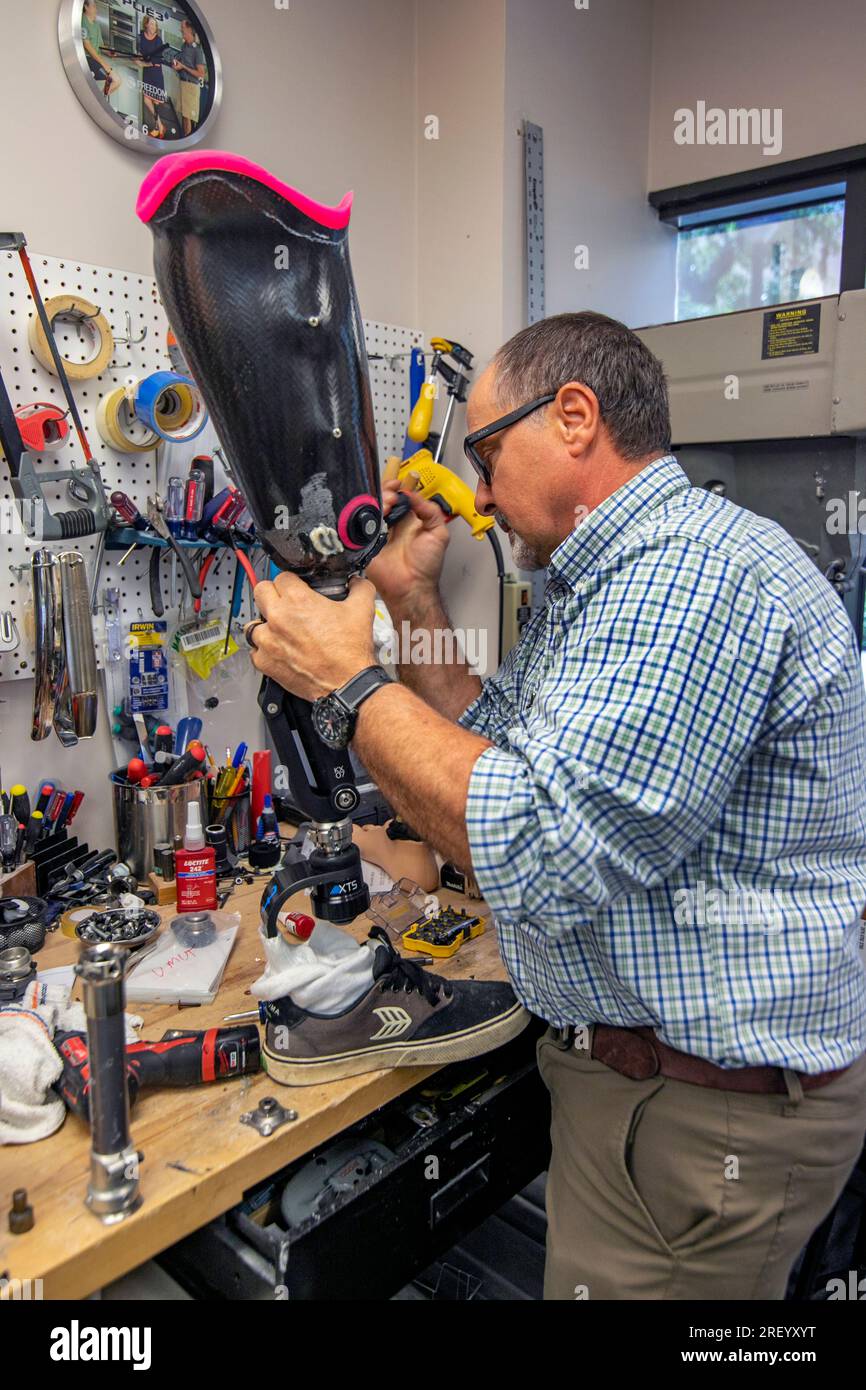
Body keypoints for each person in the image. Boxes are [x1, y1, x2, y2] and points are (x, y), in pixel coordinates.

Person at [247, 310, 866, 1300]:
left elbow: (541, 848)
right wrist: (409, 607)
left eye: (487, 454)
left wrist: (346, 682)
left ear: (573, 415)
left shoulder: (686, 578)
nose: (480, 494)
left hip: (697, 1116)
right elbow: (497, 746)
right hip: (650, 1088)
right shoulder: (613, 577)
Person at [171, 18, 206, 136]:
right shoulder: (184, 46)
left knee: (188, 117)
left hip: (191, 86)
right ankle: (184, 137)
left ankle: (188, 145)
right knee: (183, 116)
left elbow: (201, 74)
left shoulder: (197, 50)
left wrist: (183, 67)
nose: (181, 30)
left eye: (183, 29)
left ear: (189, 30)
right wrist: (177, 64)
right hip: (182, 83)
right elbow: (182, 62)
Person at [81, 0, 119, 100]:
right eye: (93, 6)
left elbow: (101, 45)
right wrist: (104, 64)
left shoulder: (96, 25)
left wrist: (109, 51)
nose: (96, 9)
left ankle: (98, 99)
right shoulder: (82, 21)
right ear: (86, 7)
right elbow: (87, 46)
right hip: (87, 60)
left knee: (117, 81)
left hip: (96, 61)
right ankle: (97, 100)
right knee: (113, 79)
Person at [137, 16, 167, 138]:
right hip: (147, 72)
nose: (154, 27)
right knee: (146, 100)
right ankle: (160, 125)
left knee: (155, 101)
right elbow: (140, 52)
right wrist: (138, 59)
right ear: (146, 25)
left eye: (155, 25)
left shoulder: (158, 40)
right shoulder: (141, 37)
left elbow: (156, 59)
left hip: (155, 71)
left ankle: (158, 126)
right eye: (152, 24)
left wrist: (144, 63)